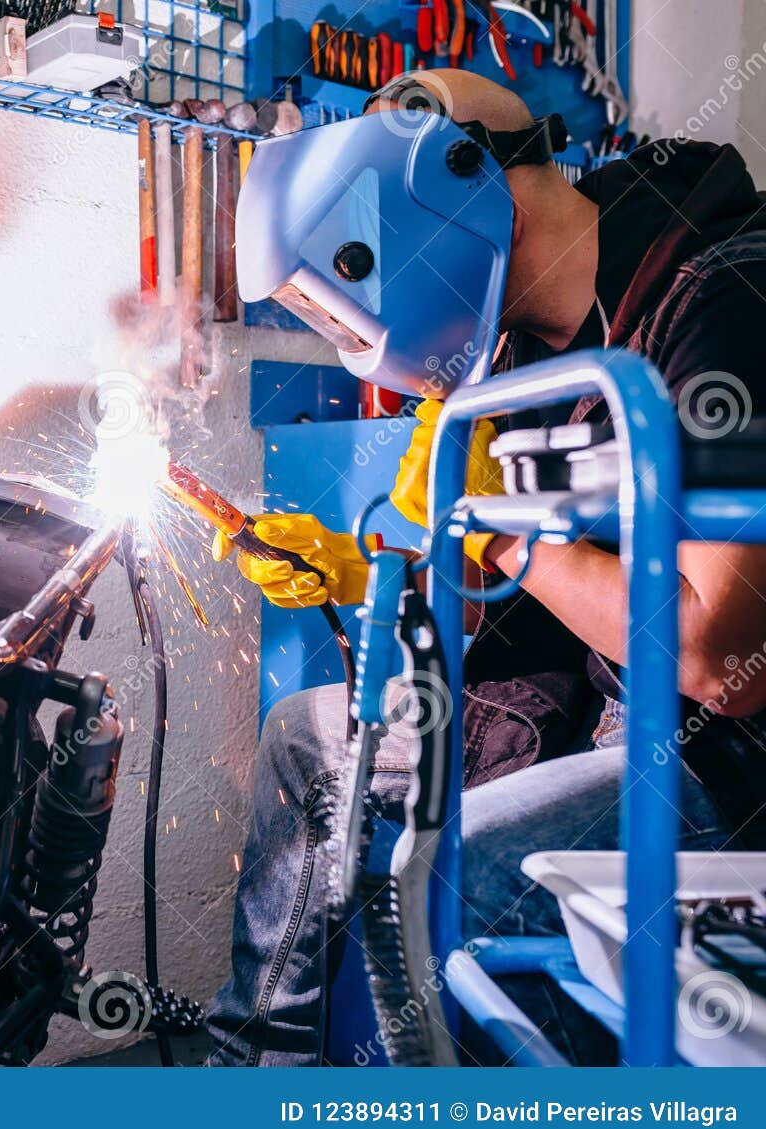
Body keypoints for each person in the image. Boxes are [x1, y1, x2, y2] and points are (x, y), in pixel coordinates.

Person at [206, 70, 766, 1066]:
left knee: (439, 878)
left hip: (722, 761)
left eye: (354, 278)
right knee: (307, 737)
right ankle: (255, 1075)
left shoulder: (725, 299)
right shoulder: (507, 358)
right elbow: (475, 618)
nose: (358, 319)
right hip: (596, 705)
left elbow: (724, 660)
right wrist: (361, 566)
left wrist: (496, 531)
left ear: (458, 187)